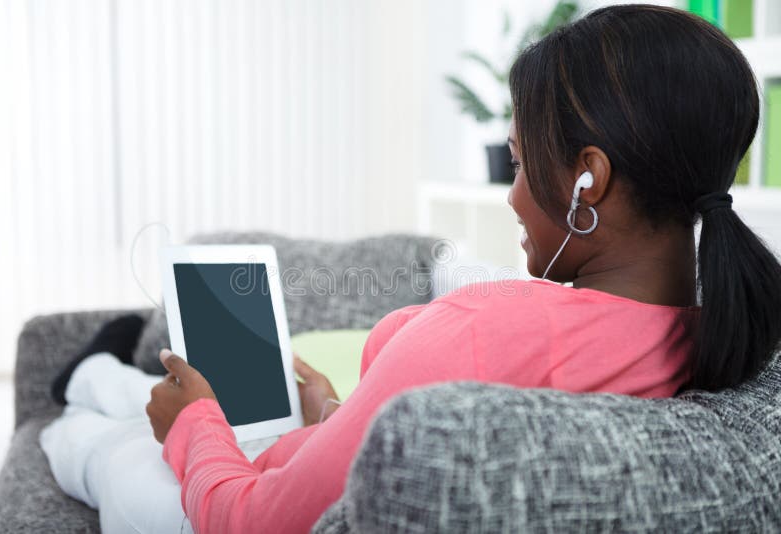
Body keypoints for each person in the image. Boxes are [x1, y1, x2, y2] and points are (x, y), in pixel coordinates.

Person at [40, 4, 781, 533]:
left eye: (521, 164)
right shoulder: (712, 335)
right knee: (167, 393)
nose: (514, 196)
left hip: (230, 499)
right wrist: (338, 414)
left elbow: (252, 519)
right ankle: (101, 374)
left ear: (588, 179)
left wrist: (195, 425)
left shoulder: (485, 328)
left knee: (102, 440)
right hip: (318, 459)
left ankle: (78, 389)